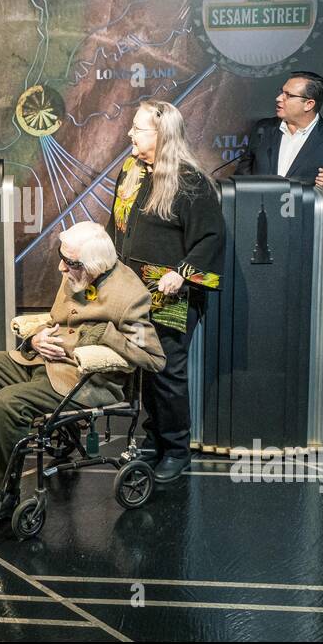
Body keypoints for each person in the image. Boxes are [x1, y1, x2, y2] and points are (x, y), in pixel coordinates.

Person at [0, 221, 165, 515]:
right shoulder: (75, 274)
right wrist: (34, 339)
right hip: (46, 361)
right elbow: (56, 321)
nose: (60, 268)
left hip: (81, 382)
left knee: (8, 403)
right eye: (62, 257)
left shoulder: (129, 296)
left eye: (68, 263)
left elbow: (153, 357)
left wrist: (102, 335)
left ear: (92, 265)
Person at [107, 100, 224, 484]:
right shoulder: (131, 171)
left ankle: (176, 449)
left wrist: (182, 274)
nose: (130, 133)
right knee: (144, 368)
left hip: (171, 295)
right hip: (132, 291)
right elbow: (116, 228)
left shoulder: (190, 182)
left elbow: (210, 238)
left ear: (161, 135)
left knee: (167, 371)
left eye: (138, 128)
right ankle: (155, 438)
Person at [234, 71, 323, 210]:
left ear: (309, 104)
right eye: (281, 92)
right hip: (258, 220)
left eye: (288, 95)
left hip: (304, 226)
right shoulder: (263, 129)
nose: (278, 98)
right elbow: (242, 178)